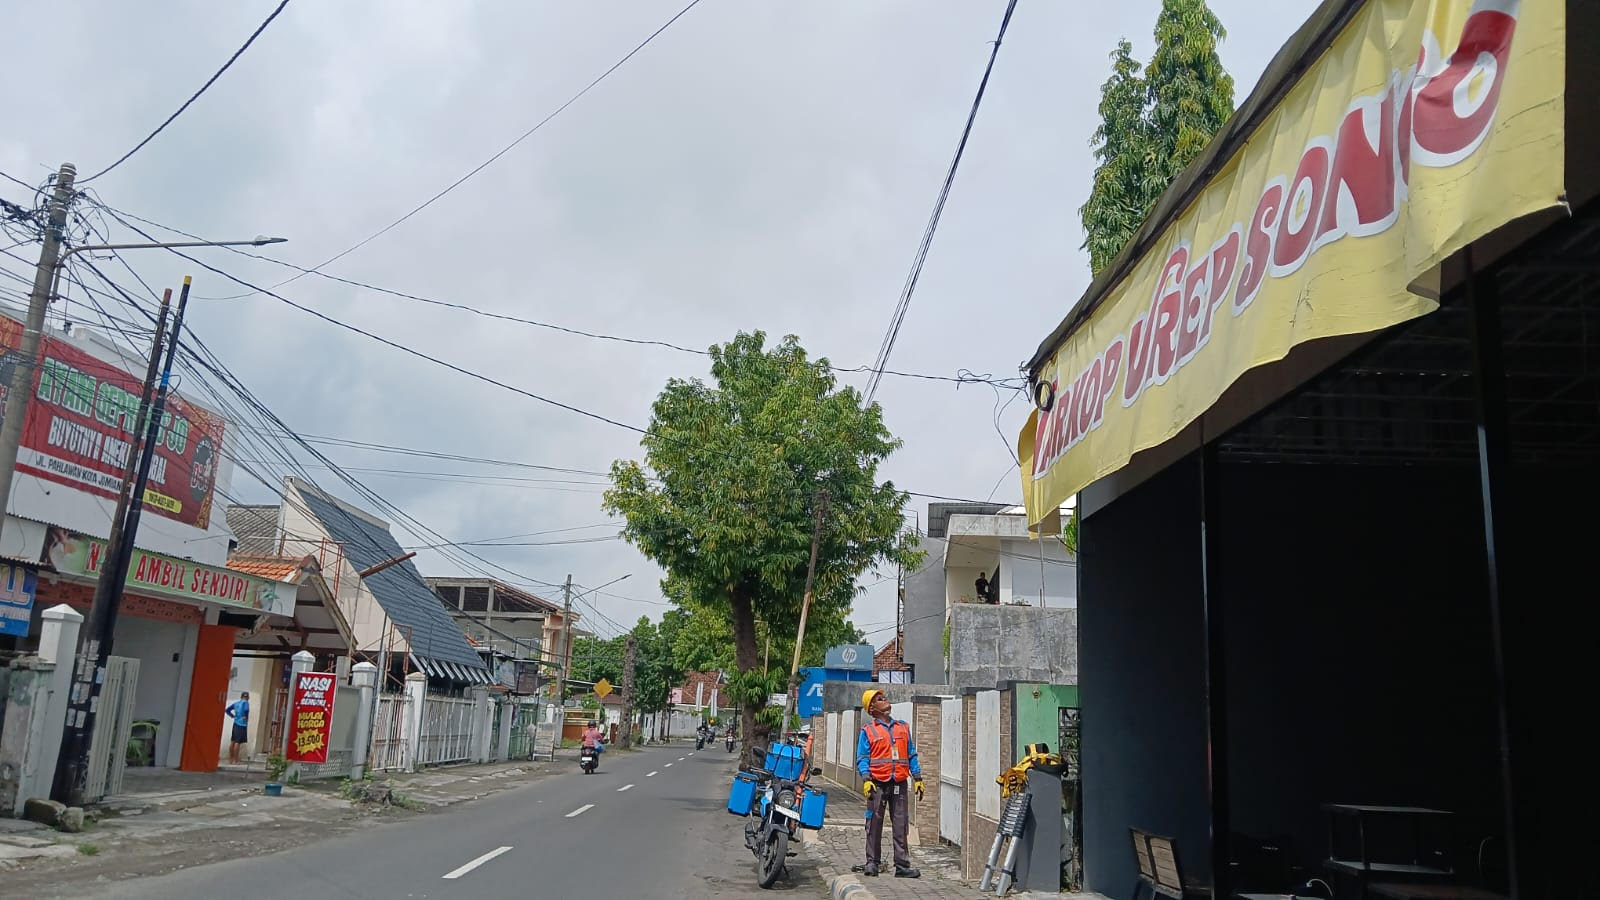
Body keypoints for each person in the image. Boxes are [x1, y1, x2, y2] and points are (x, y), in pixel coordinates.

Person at [856, 689, 923, 878]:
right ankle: (872, 863)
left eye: (883, 697)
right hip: (877, 783)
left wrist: (918, 778)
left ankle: (902, 866)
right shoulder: (868, 731)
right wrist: (866, 779)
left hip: (898, 783)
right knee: (874, 823)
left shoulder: (902, 728)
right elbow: (862, 758)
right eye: (879, 699)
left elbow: (911, 754)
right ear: (872, 708)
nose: (884, 699)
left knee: (901, 824)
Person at [225, 691, 250, 764]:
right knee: (237, 742)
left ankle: (231, 759)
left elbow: (227, 710)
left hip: (235, 723)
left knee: (233, 741)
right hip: (242, 724)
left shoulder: (236, 703)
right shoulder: (246, 703)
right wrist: (245, 716)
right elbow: (246, 709)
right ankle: (236, 760)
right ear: (248, 697)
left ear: (241, 697)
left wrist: (232, 716)